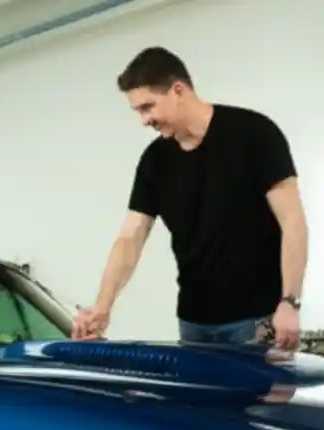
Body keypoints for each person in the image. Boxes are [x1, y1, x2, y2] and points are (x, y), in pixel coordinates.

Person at [72, 47, 309, 350]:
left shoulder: (254, 134)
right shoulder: (155, 160)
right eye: (138, 111)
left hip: (258, 318)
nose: (144, 120)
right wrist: (103, 306)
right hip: (194, 322)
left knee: (259, 384)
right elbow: (130, 237)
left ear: (178, 91)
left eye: (148, 107)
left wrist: (290, 301)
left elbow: (292, 222)